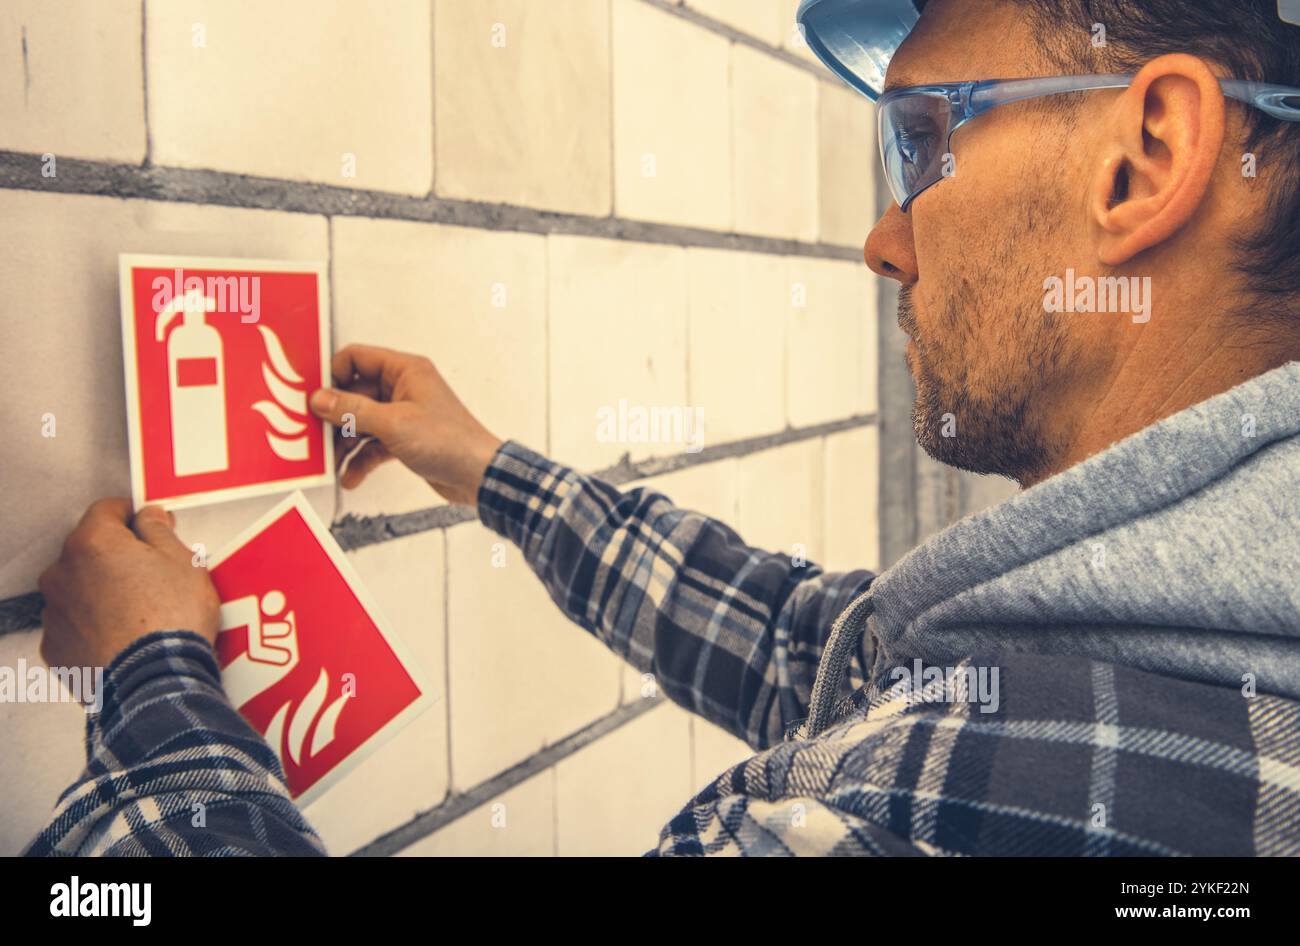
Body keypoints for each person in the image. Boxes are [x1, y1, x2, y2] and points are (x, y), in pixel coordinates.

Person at [29, 0, 1300, 856]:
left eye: (922, 141)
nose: (882, 241)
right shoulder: (1176, 654)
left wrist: (147, 685)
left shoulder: (917, 814)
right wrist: (484, 468)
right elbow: (822, 654)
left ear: (1146, 155)